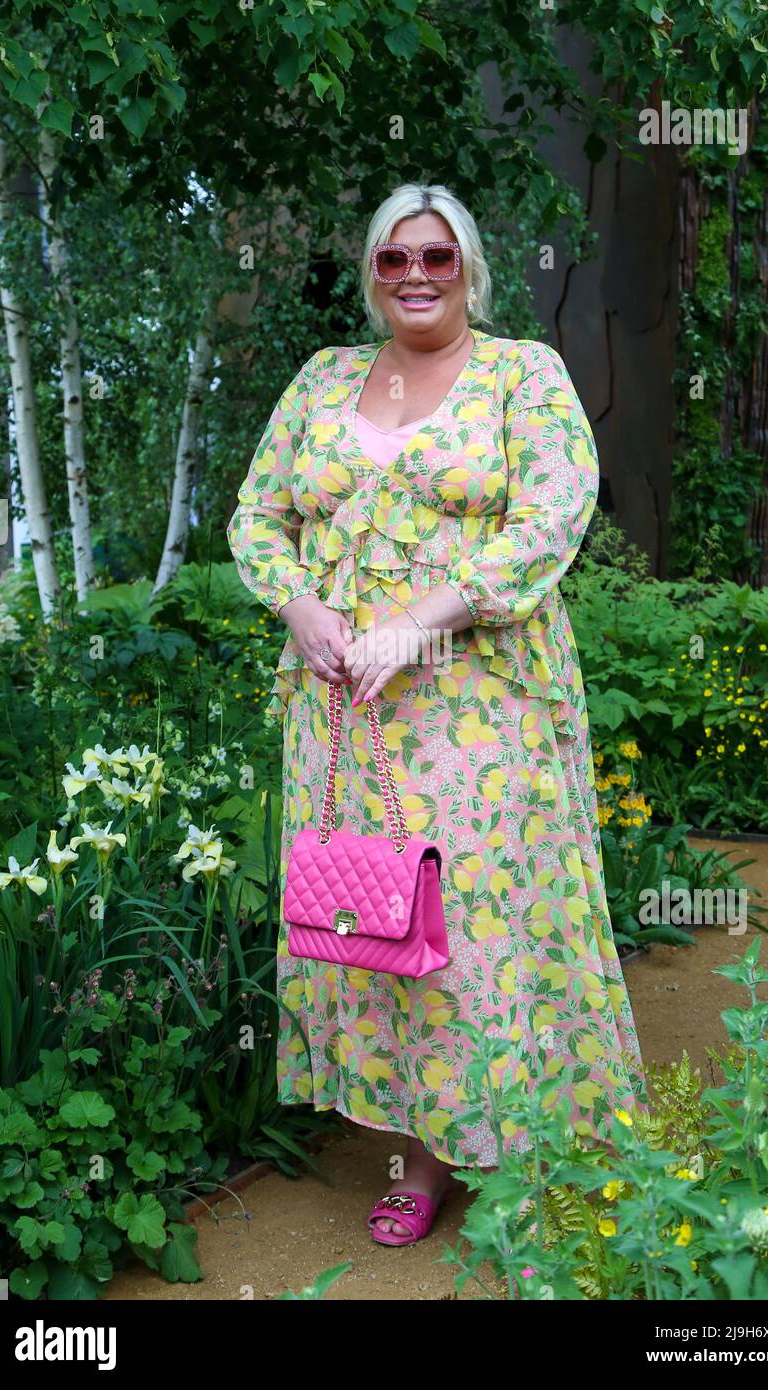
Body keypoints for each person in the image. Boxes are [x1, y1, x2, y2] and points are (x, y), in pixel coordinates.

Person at [227, 182, 647, 1246]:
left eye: (437, 257)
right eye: (392, 259)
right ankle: (417, 1153)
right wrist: (303, 606)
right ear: (371, 274)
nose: (415, 275)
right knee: (384, 931)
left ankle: (523, 1146)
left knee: (481, 927)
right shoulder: (323, 380)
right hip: (344, 712)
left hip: (478, 700)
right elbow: (255, 513)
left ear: (469, 268)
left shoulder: (520, 375)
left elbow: (553, 512)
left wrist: (420, 618)